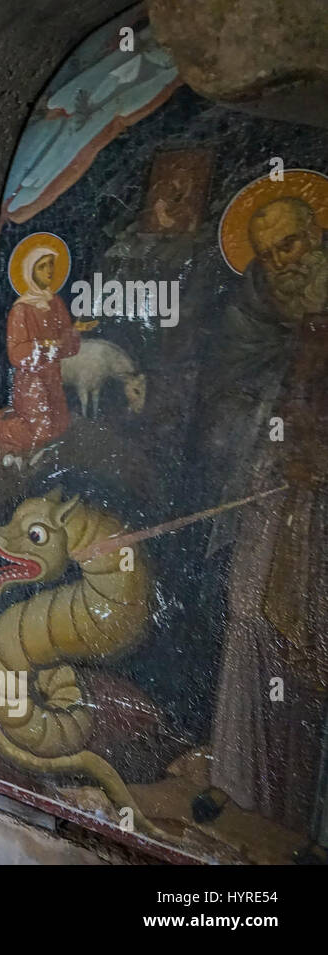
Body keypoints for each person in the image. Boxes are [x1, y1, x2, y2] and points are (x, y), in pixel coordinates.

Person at [195, 196, 328, 863]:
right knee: (250, 613)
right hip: (273, 494)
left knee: (315, 641)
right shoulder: (257, 320)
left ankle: (305, 813)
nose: (290, 261)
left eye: (298, 243)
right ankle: (242, 782)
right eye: (275, 253)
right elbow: (230, 403)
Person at [0, 246, 97, 459]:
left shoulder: (55, 303)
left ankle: (13, 421)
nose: (48, 271)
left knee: (60, 427)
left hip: (53, 377)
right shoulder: (21, 310)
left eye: (51, 265)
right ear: (30, 271)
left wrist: (75, 331)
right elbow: (17, 354)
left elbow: (69, 348)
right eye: (42, 267)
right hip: (31, 381)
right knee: (42, 431)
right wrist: (49, 343)